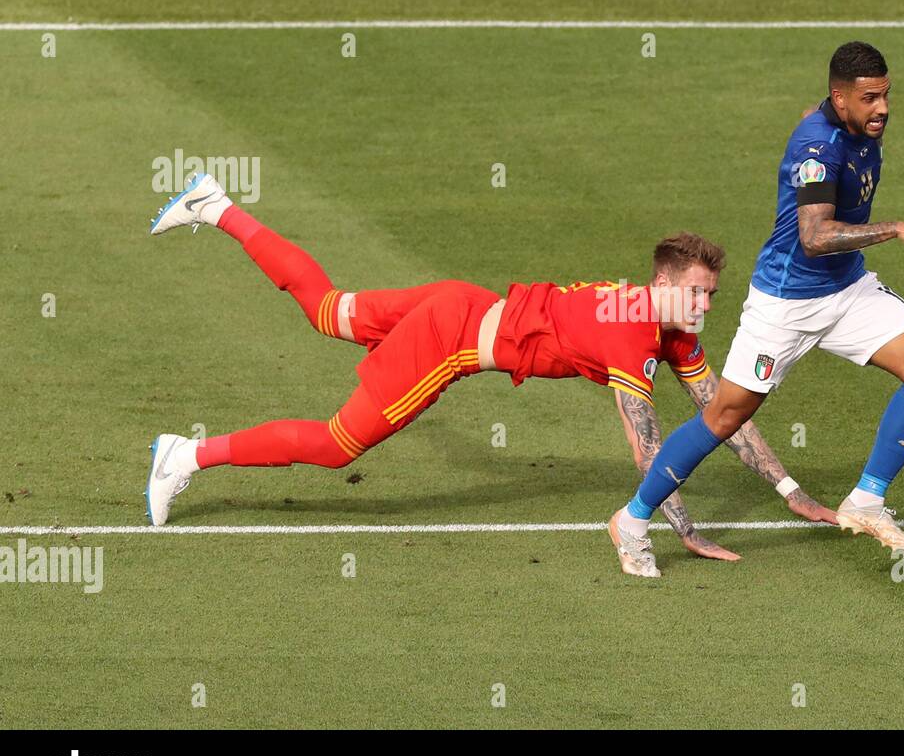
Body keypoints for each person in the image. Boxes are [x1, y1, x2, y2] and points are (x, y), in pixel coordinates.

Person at [143, 174, 833, 577]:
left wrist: (788, 487)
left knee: (327, 310)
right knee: (335, 445)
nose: (711, 305)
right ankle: (187, 454)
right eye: (703, 293)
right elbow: (646, 445)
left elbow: (722, 411)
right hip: (450, 339)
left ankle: (214, 205)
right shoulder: (633, 336)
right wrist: (677, 526)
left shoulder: (666, 323)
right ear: (667, 284)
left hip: (462, 301)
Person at [609, 41, 904, 576]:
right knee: (726, 415)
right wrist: (898, 229)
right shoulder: (818, 147)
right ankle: (632, 520)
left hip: (847, 290)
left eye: (886, 95)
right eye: (869, 98)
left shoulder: (847, 125)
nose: (882, 108)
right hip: (786, 303)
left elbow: (814, 124)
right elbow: (815, 237)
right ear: (840, 98)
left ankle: (866, 501)